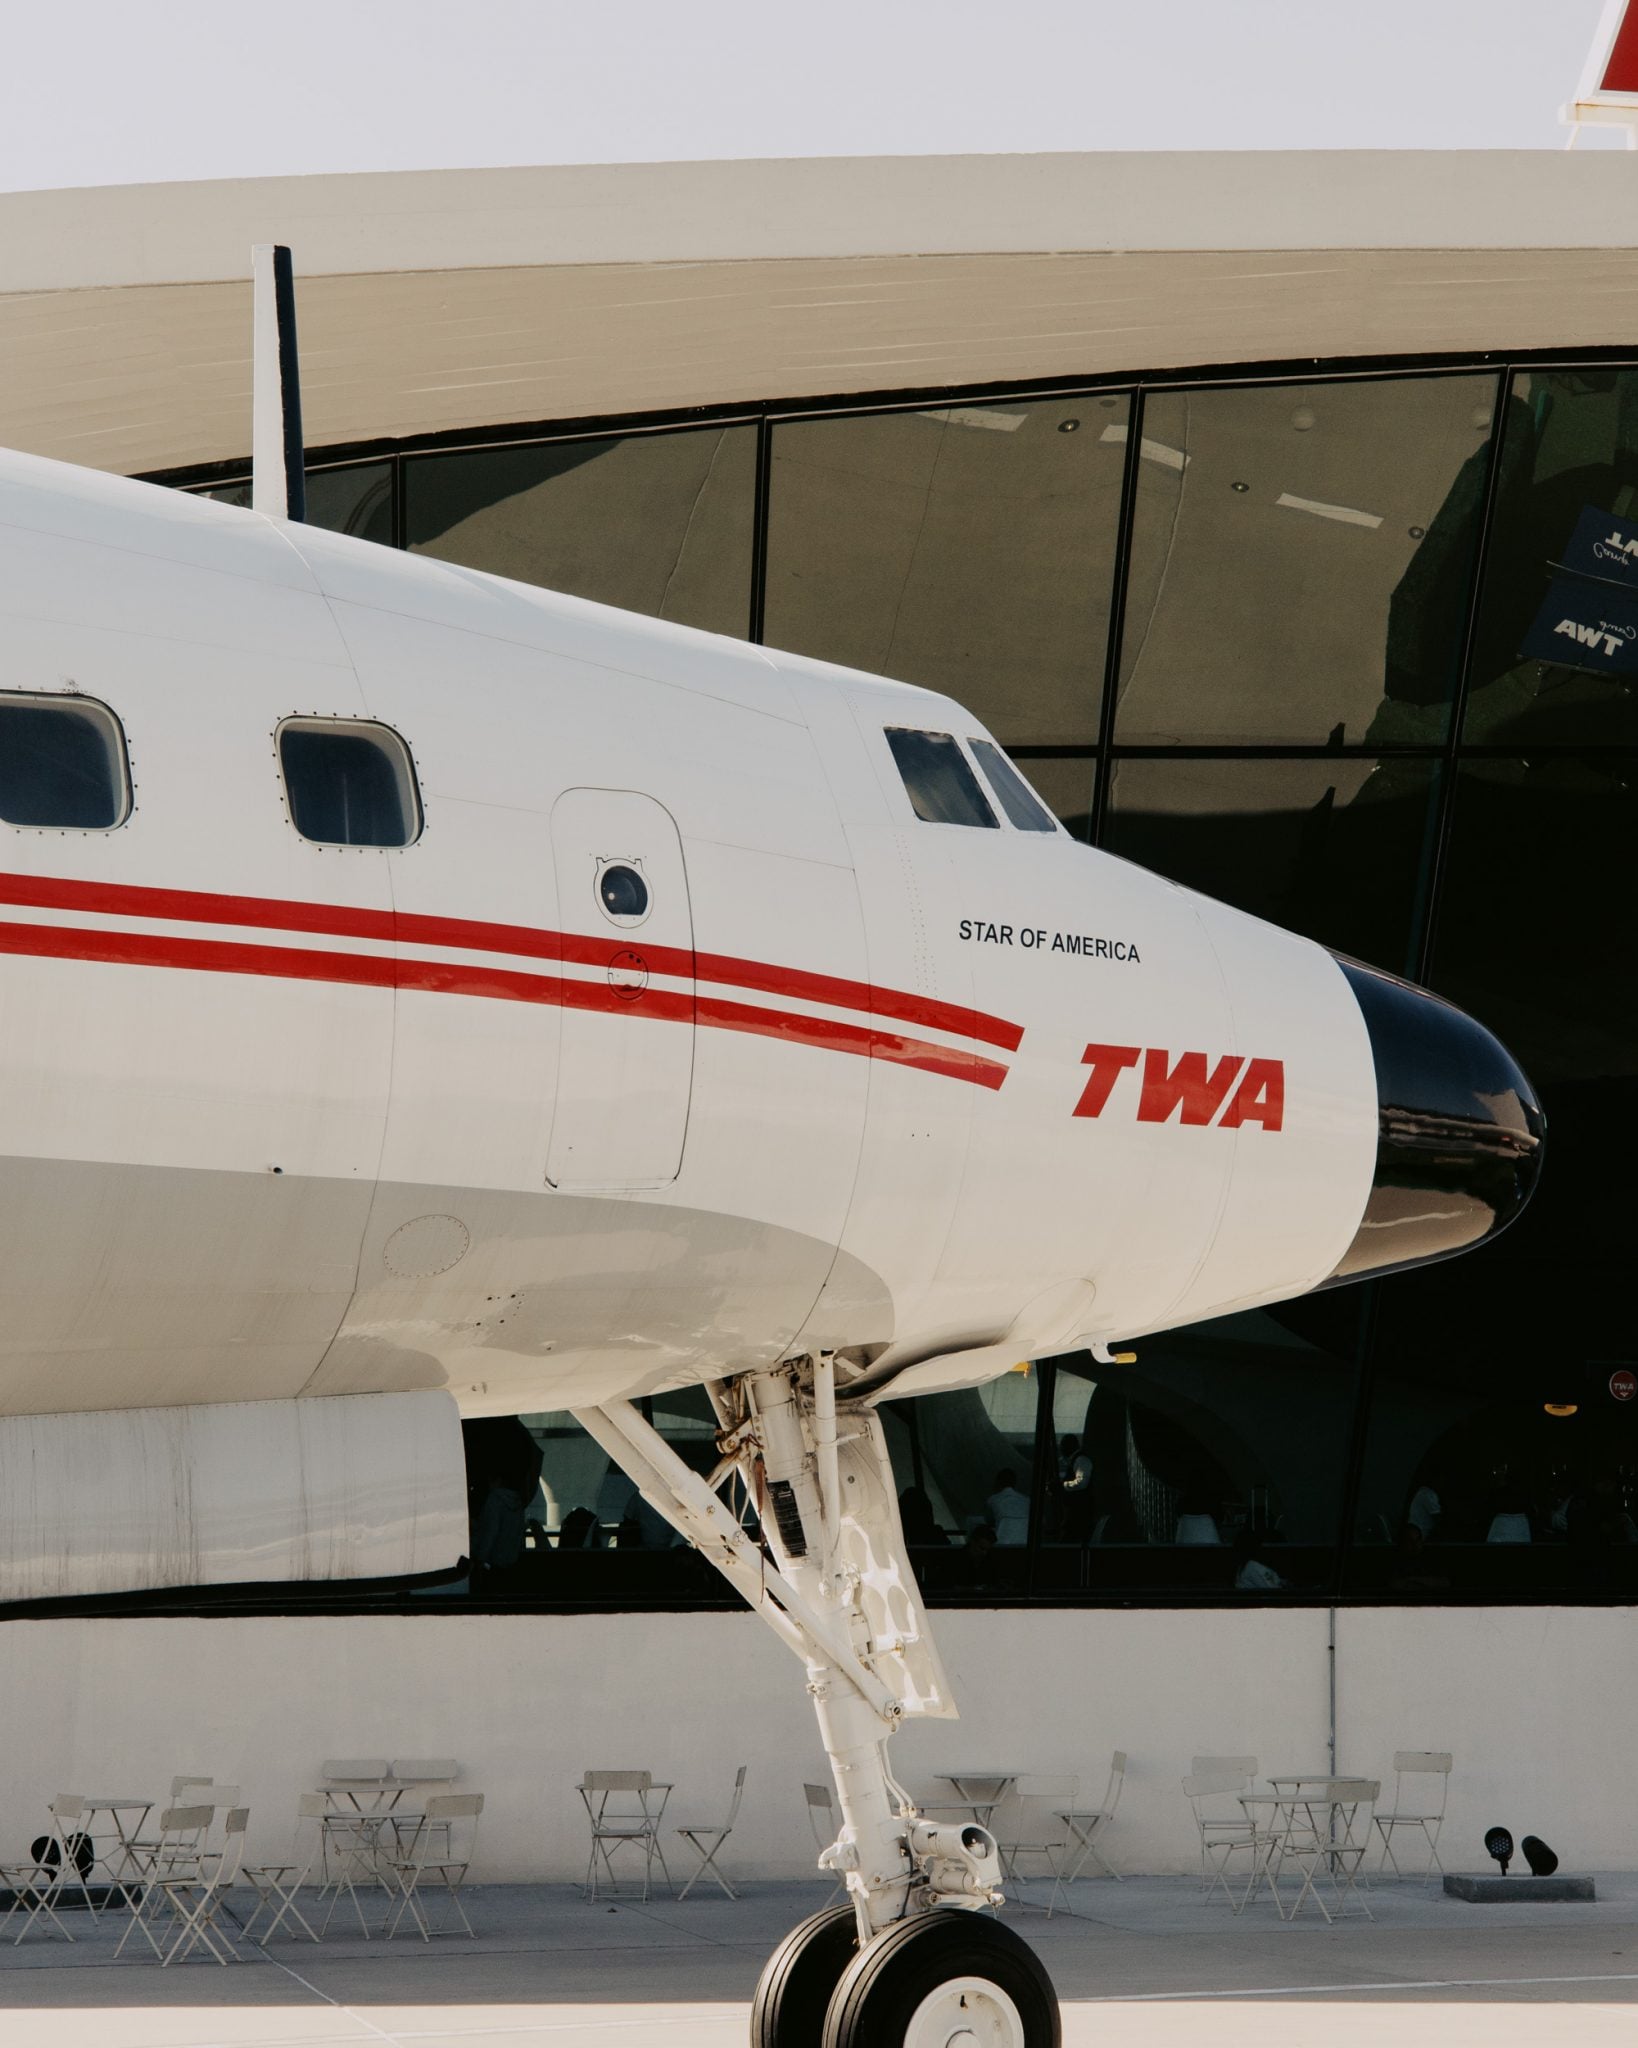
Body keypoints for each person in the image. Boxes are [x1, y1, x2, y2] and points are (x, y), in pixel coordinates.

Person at [985, 1468, 1030, 1546]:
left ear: (998, 1482)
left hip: (1002, 1545)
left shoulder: (993, 1500)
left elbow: (988, 1520)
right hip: (1025, 1545)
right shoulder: (1027, 1500)